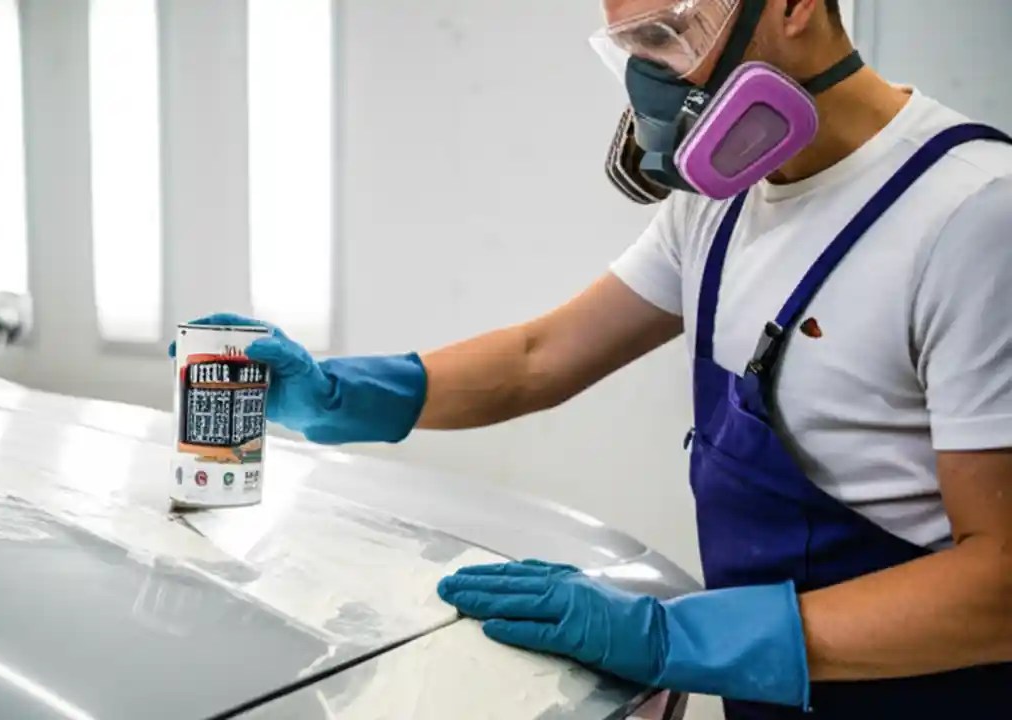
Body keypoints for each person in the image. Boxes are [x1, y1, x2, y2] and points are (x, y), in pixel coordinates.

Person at [182, 0, 1012, 716]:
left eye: (665, 38)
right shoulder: (718, 211)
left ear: (793, 6)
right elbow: (540, 358)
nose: (648, 82)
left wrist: (670, 635)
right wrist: (338, 395)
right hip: (783, 694)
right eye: (629, 51)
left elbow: (1001, 584)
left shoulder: (972, 215)